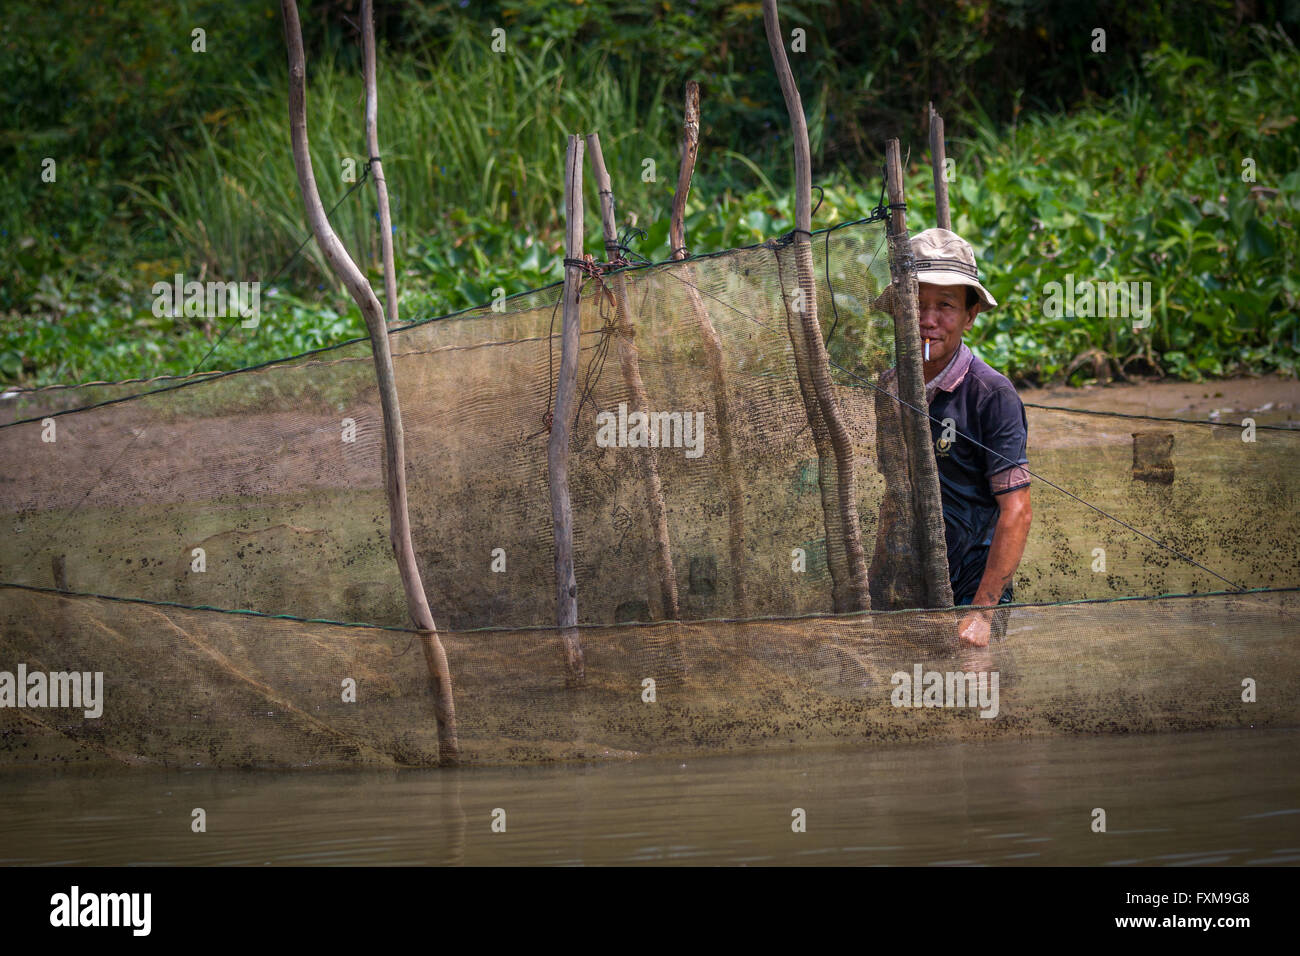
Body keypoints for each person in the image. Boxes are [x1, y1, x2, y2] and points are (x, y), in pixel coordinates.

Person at [869, 228, 1032, 647]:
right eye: (917, 305)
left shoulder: (991, 395)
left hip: (970, 588)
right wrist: (874, 587)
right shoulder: (890, 387)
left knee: (973, 694)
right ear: (898, 311)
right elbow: (895, 494)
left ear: (969, 315)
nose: (928, 320)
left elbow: (1016, 513)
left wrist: (980, 615)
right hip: (905, 587)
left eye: (945, 306)